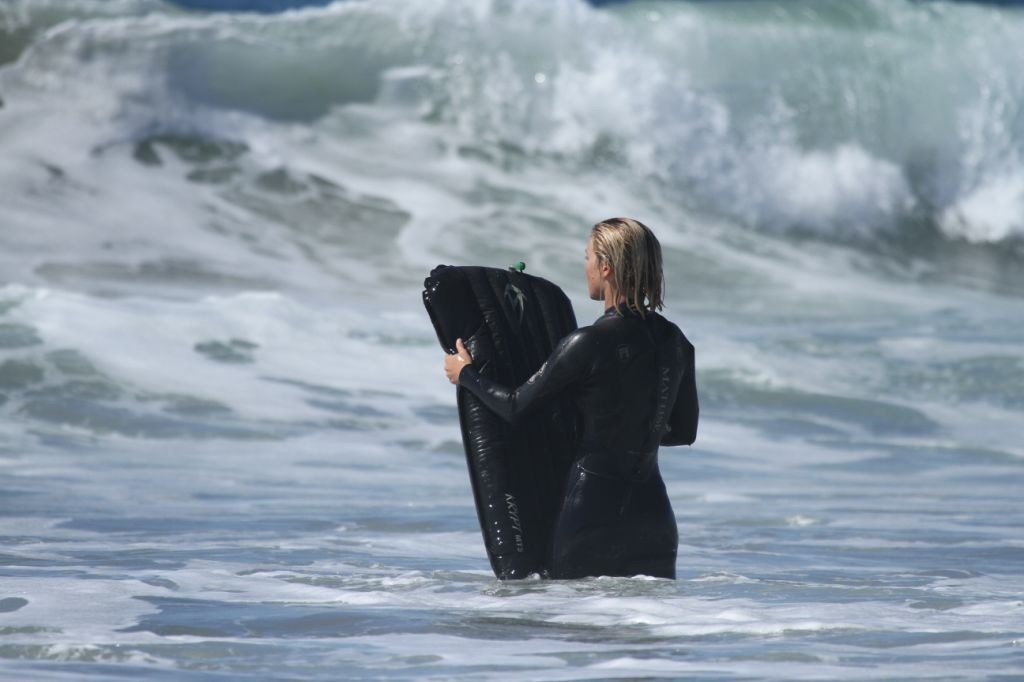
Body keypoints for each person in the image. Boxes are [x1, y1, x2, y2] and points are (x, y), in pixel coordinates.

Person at [443, 217, 698, 579]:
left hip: (591, 518)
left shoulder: (588, 342)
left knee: (576, 630)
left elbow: (515, 406)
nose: (587, 268)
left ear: (606, 267)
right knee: (643, 631)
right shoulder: (676, 343)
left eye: (588, 258)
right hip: (653, 523)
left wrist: (466, 374)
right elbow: (684, 432)